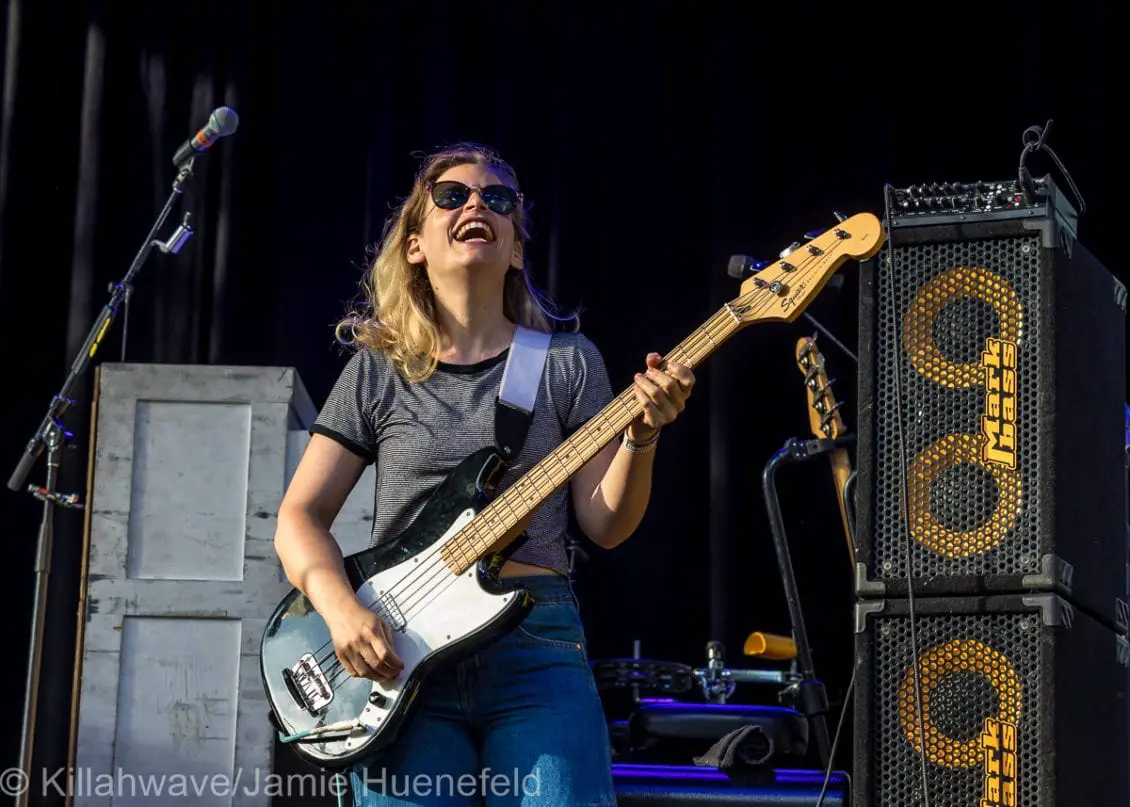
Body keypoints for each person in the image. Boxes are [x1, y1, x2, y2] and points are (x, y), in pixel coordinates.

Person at [273, 142, 695, 806]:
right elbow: (299, 518)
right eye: (453, 195)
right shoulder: (380, 369)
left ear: (516, 249)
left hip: (537, 647)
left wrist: (640, 440)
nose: (477, 204)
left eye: (497, 199)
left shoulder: (565, 362)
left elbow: (605, 525)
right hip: (398, 655)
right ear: (415, 244)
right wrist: (339, 606)